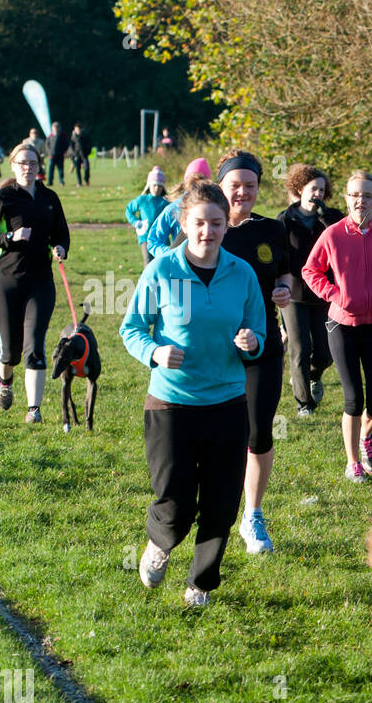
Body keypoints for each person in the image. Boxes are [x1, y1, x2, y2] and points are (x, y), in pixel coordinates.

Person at [120, 180, 266, 608]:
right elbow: (131, 329)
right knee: (177, 500)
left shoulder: (242, 274)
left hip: (226, 402)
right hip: (171, 403)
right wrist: (154, 351)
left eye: (216, 223)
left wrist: (251, 342)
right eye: (199, 222)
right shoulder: (162, 269)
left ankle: (201, 582)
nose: (208, 231)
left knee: (222, 500)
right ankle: (161, 541)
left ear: (226, 225)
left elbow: (259, 330)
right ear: (184, 222)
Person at [301, 170, 372, 481]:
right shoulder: (331, 234)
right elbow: (310, 270)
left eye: (367, 195)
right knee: (353, 399)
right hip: (342, 325)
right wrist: (335, 294)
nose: (361, 200)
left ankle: (366, 435)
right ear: (346, 198)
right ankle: (353, 462)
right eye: (355, 195)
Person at [215, 149, 292, 556]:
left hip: (263, 344)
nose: (242, 192)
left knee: (258, 430)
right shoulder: (207, 226)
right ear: (220, 186)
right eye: (234, 185)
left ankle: (253, 515)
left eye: (250, 186)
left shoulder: (272, 229)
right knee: (221, 432)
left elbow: (284, 274)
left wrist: (284, 290)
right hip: (213, 348)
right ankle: (213, 509)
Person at [0, 141, 71, 422]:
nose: (27, 168)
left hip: (40, 281)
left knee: (35, 344)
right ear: (13, 166)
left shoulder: (50, 198)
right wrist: (9, 238)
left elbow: (61, 232)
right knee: (10, 350)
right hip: (4, 281)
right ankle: (5, 379)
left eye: (32, 163)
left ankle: (34, 410)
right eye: (22, 163)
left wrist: (61, 247)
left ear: (39, 167)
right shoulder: (4, 198)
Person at [277, 163, 342, 417]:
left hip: (324, 293)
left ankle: (314, 375)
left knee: (326, 353)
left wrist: (325, 218)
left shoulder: (333, 218)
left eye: (321, 190)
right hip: (293, 293)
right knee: (300, 348)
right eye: (313, 188)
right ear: (300, 189)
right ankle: (304, 403)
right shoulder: (284, 220)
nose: (317, 194)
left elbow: (342, 243)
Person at [145, 157, 211, 258]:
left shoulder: (215, 208)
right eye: (193, 181)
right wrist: (170, 253)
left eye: (201, 180)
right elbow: (153, 240)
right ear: (186, 182)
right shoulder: (174, 209)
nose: (196, 185)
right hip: (179, 267)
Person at [124, 166, 171, 265]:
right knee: (148, 262)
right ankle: (148, 280)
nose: (157, 188)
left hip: (162, 238)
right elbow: (129, 210)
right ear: (149, 185)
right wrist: (135, 222)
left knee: (161, 263)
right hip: (145, 237)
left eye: (160, 186)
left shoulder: (166, 203)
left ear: (163, 187)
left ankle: (159, 280)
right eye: (154, 185)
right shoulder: (142, 200)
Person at [45, 122, 69, 187]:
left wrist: (64, 152)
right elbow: (47, 145)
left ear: (59, 128)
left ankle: (61, 181)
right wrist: (49, 152)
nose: (55, 129)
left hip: (60, 155)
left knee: (61, 169)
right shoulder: (50, 136)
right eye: (54, 128)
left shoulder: (63, 135)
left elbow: (66, 144)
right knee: (51, 169)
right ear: (52, 128)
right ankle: (50, 182)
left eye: (57, 128)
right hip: (52, 155)